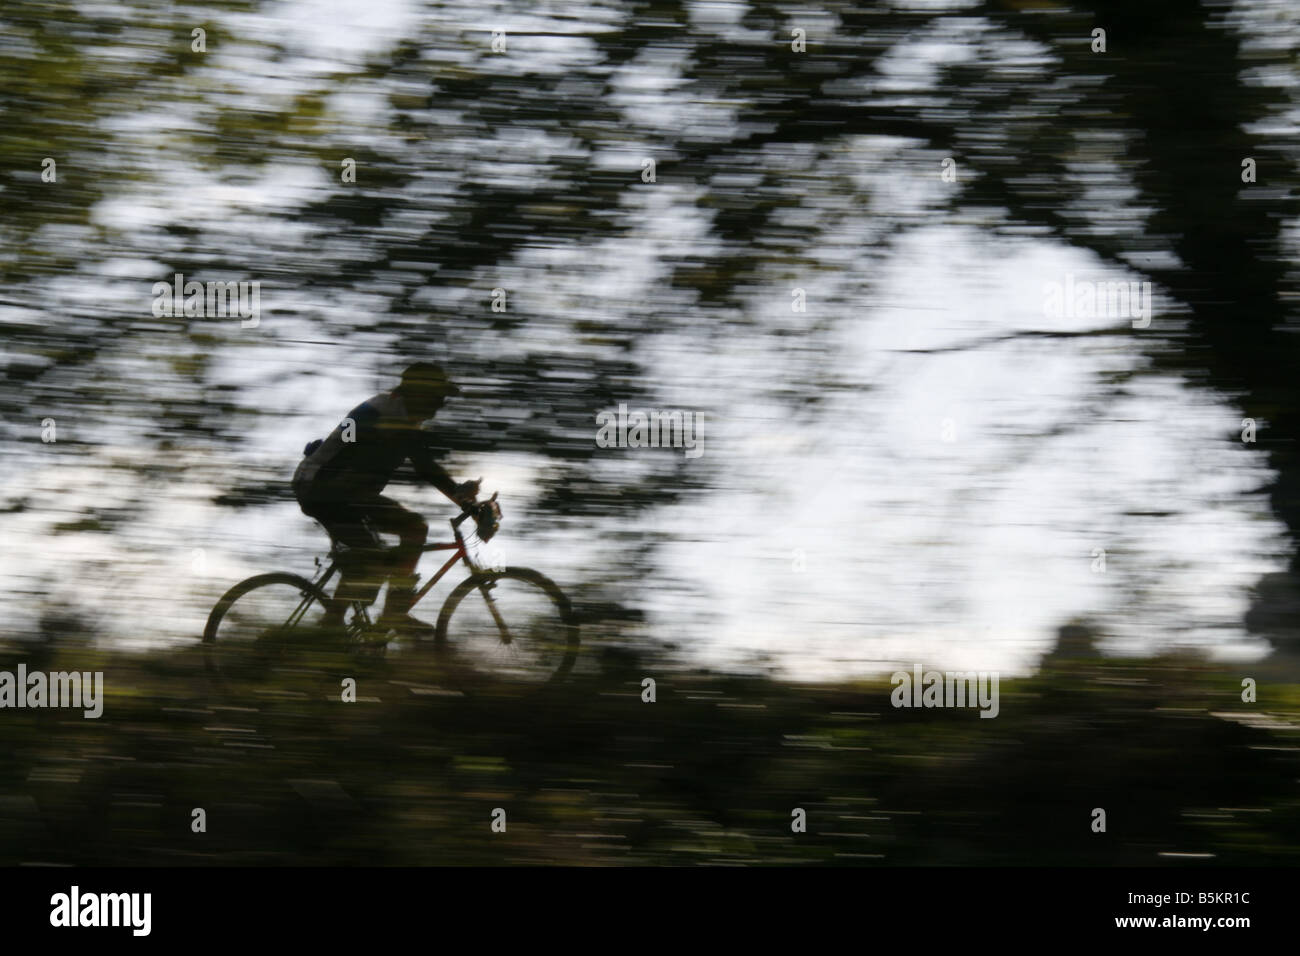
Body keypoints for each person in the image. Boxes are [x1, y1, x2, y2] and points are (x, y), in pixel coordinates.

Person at [292, 362, 479, 632]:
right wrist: (463, 498)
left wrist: (465, 499)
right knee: (374, 555)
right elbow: (424, 467)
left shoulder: (401, 418)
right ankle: (336, 626)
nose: (440, 406)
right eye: (438, 398)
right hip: (322, 488)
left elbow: (424, 466)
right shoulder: (384, 412)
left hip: (342, 492)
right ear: (418, 393)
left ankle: (385, 615)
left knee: (407, 534)